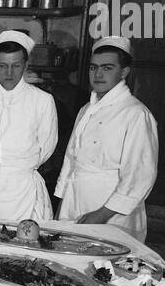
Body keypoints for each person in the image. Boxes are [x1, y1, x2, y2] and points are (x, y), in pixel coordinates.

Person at [55, 35, 159, 242]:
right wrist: (62, 205)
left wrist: (101, 214)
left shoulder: (136, 114)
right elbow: (71, 160)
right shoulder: (86, 109)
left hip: (112, 213)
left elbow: (140, 174)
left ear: (124, 71)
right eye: (93, 68)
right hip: (75, 200)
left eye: (107, 68)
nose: (98, 74)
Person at [0, 30, 59, 221]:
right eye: (2, 66)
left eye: (15, 65)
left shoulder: (42, 100)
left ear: (26, 65)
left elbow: (47, 146)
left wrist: (18, 166)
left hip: (23, 188)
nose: (9, 73)